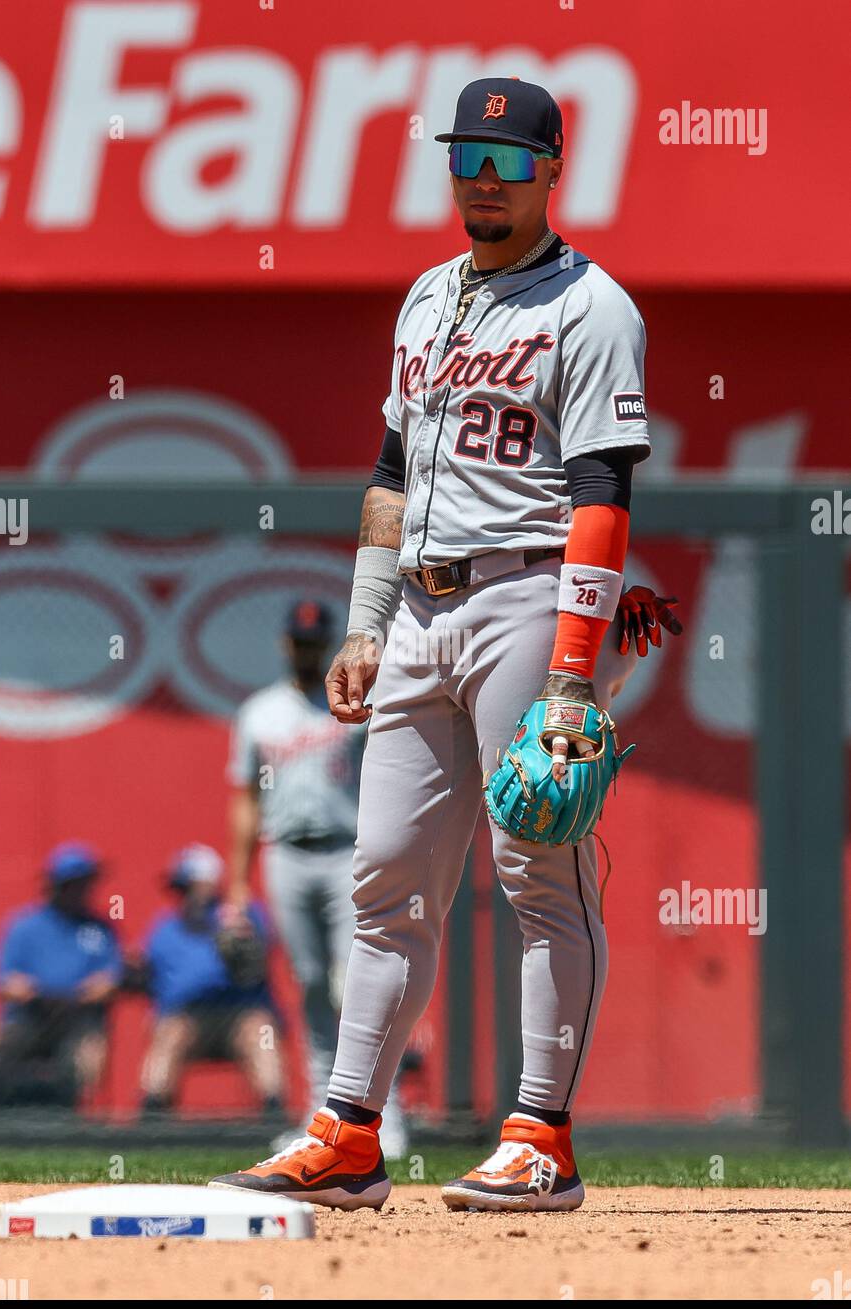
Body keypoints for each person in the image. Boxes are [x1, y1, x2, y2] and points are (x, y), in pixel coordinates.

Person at [210, 77, 679, 1210]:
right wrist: (366, 622)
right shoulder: (426, 298)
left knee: (536, 864)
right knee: (384, 882)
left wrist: (574, 673)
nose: (483, 176)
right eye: (467, 154)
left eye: (508, 160)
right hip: (418, 610)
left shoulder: (590, 305)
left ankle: (540, 1136)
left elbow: (599, 492)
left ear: (550, 171)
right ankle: (349, 1131)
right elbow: (389, 478)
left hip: (528, 596)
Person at [225, 599, 410, 1154]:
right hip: (285, 853)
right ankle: (318, 1112)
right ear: (287, 644)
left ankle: (383, 1114)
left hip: (345, 855)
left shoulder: (353, 703)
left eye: (315, 642)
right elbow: (245, 802)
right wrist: (237, 886)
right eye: (300, 642)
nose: (307, 651)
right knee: (308, 986)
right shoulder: (260, 713)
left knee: (356, 982)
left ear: (326, 644)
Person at [138, 844, 284, 1118]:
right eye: (181, 888)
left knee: (260, 1029)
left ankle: (273, 1112)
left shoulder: (240, 914)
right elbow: (153, 978)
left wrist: (245, 937)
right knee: (170, 1031)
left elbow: (257, 962)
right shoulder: (165, 927)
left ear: (210, 883)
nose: (184, 895)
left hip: (238, 1015)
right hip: (191, 1019)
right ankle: (153, 1115)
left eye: (190, 886)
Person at [0, 843, 121, 1108]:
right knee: (0, 1042)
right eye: (72, 884)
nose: (80, 891)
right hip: (31, 1015)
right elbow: (4, 982)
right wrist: (35, 993)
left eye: (84, 883)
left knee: (90, 1052)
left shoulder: (100, 929)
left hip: (78, 1017)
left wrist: (77, 995)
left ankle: (85, 1124)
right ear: (55, 886)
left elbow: (109, 981)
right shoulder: (24, 926)